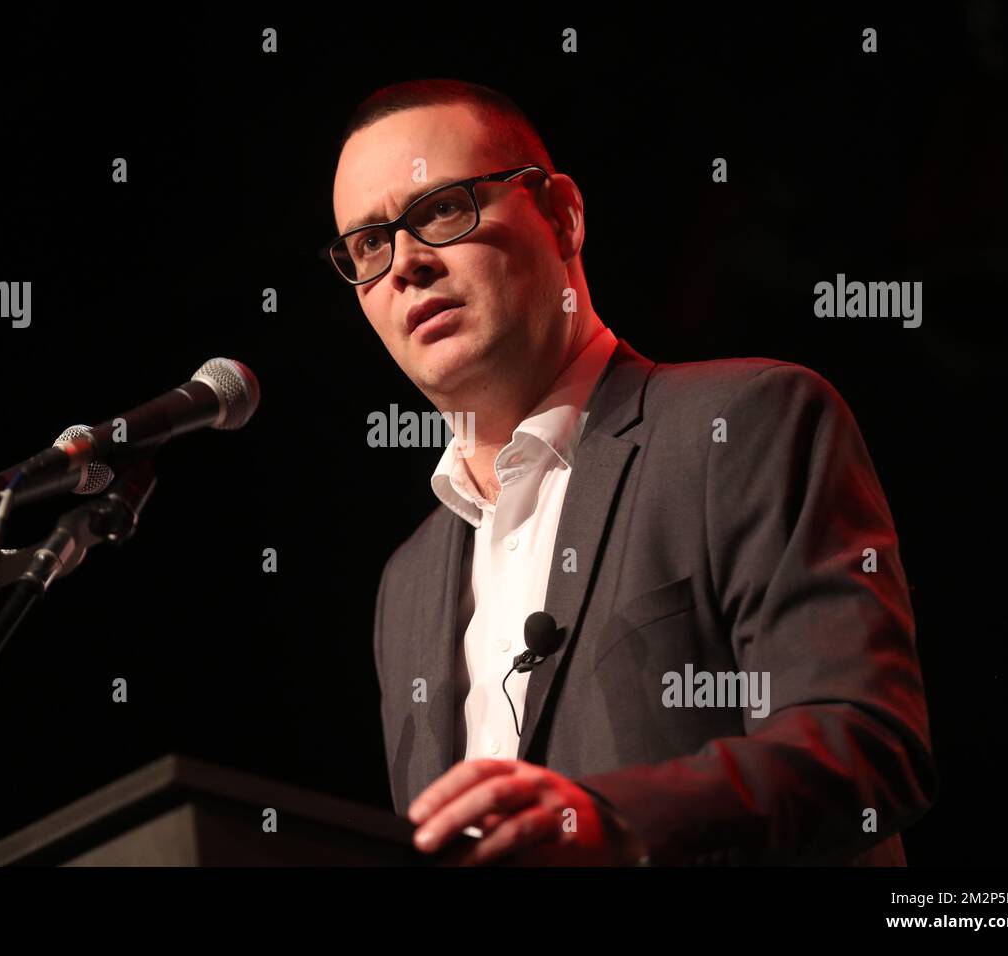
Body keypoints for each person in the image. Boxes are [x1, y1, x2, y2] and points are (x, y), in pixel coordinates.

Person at [326, 78, 936, 865]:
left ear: (562, 217)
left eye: (441, 209)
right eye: (369, 244)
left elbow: (867, 744)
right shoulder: (404, 586)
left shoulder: (744, 424)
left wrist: (612, 822)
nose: (404, 262)